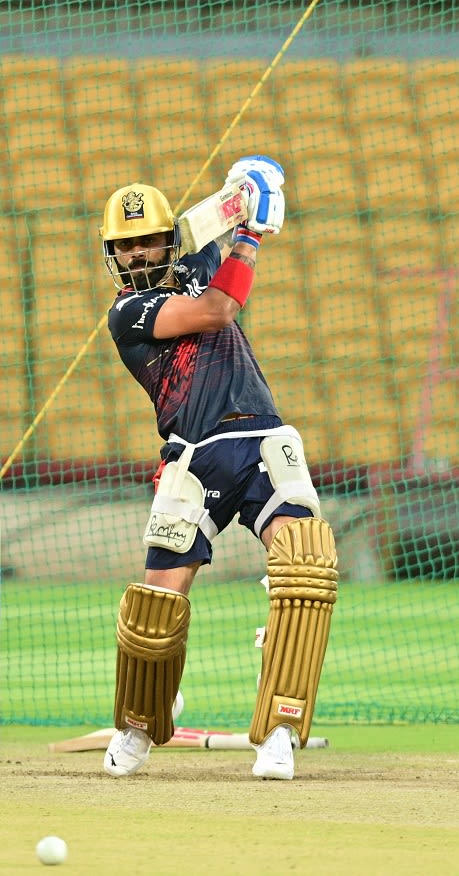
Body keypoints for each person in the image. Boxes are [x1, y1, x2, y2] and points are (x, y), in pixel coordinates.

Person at [97, 157, 339, 781]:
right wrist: (252, 237)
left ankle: (279, 731)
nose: (140, 252)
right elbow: (217, 311)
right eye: (126, 246)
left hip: (262, 438)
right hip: (195, 455)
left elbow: (217, 213)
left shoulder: (191, 257)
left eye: (149, 238)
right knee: (155, 610)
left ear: (167, 238)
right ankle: (141, 724)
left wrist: (251, 187)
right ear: (113, 256)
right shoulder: (129, 314)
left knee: (305, 566)